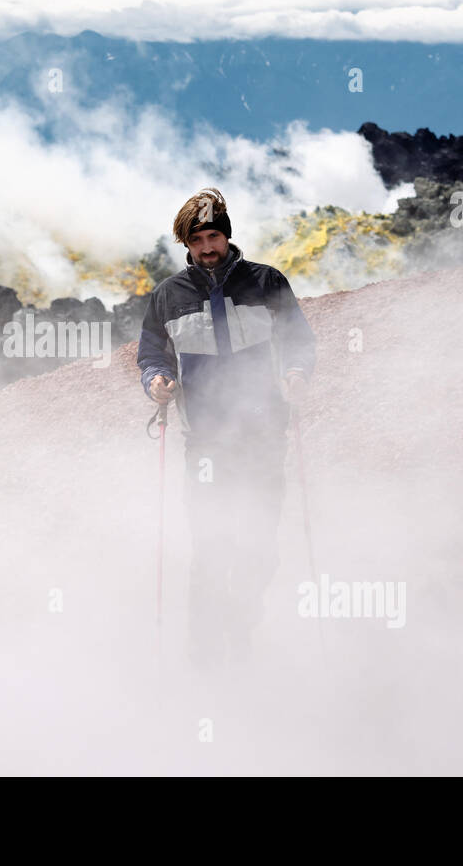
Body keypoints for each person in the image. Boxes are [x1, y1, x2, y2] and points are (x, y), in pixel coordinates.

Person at [137, 187, 316, 669]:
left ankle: (243, 624)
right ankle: (204, 655)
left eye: (214, 235)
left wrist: (297, 372)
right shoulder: (168, 296)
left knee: (260, 548)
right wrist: (156, 380)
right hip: (206, 445)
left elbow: (299, 339)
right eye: (198, 240)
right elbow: (153, 353)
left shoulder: (266, 282)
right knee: (210, 548)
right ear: (187, 245)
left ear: (228, 236)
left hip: (262, 436)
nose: (207, 247)